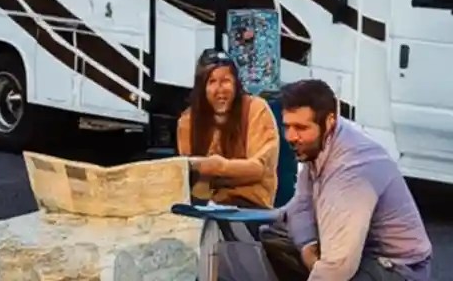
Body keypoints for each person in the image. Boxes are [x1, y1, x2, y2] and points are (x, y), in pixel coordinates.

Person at [260, 79, 433, 281]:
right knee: (270, 235)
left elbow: (338, 267)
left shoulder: (350, 170)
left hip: (398, 267)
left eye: (300, 127)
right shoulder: (319, 143)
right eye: (287, 126)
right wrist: (308, 247)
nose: (290, 136)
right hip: (352, 249)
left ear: (329, 121)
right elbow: (301, 205)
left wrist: (319, 266)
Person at [177, 47, 280, 209]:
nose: (220, 89)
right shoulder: (188, 120)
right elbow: (188, 176)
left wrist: (216, 167)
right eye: (211, 82)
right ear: (201, 88)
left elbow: (258, 169)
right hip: (204, 207)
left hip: (250, 207)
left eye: (225, 81)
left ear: (236, 83)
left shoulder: (255, 109)